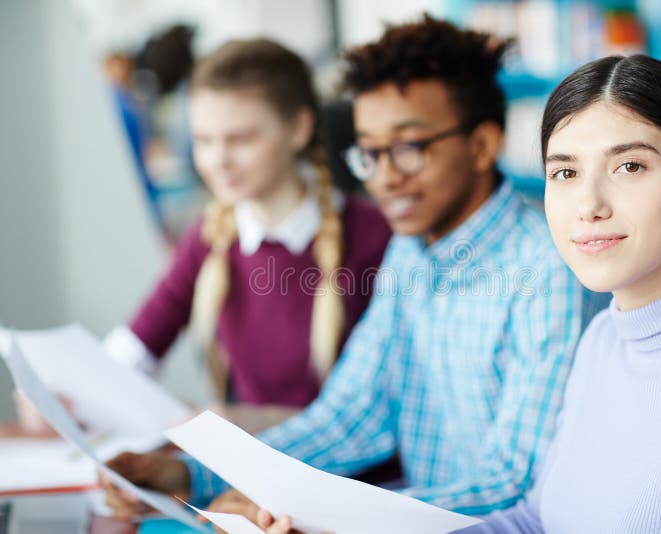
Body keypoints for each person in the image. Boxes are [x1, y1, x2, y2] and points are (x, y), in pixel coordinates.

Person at [101, 15, 587, 522]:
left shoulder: (546, 271)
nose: (385, 179)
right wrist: (194, 476)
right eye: (370, 155)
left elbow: (515, 486)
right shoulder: (412, 251)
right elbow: (350, 416)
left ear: (483, 145)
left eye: (409, 149)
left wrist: (332, 516)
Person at [450, 54, 661, 533]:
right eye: (566, 174)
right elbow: (537, 520)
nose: (590, 205)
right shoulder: (603, 337)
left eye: (629, 166)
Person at [17, 38, 391, 436]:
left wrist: (264, 421)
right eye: (203, 141)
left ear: (299, 128)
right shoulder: (210, 235)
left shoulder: (374, 237)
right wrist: (67, 394)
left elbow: (385, 411)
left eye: (241, 139)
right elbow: (134, 349)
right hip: (251, 483)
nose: (217, 161)